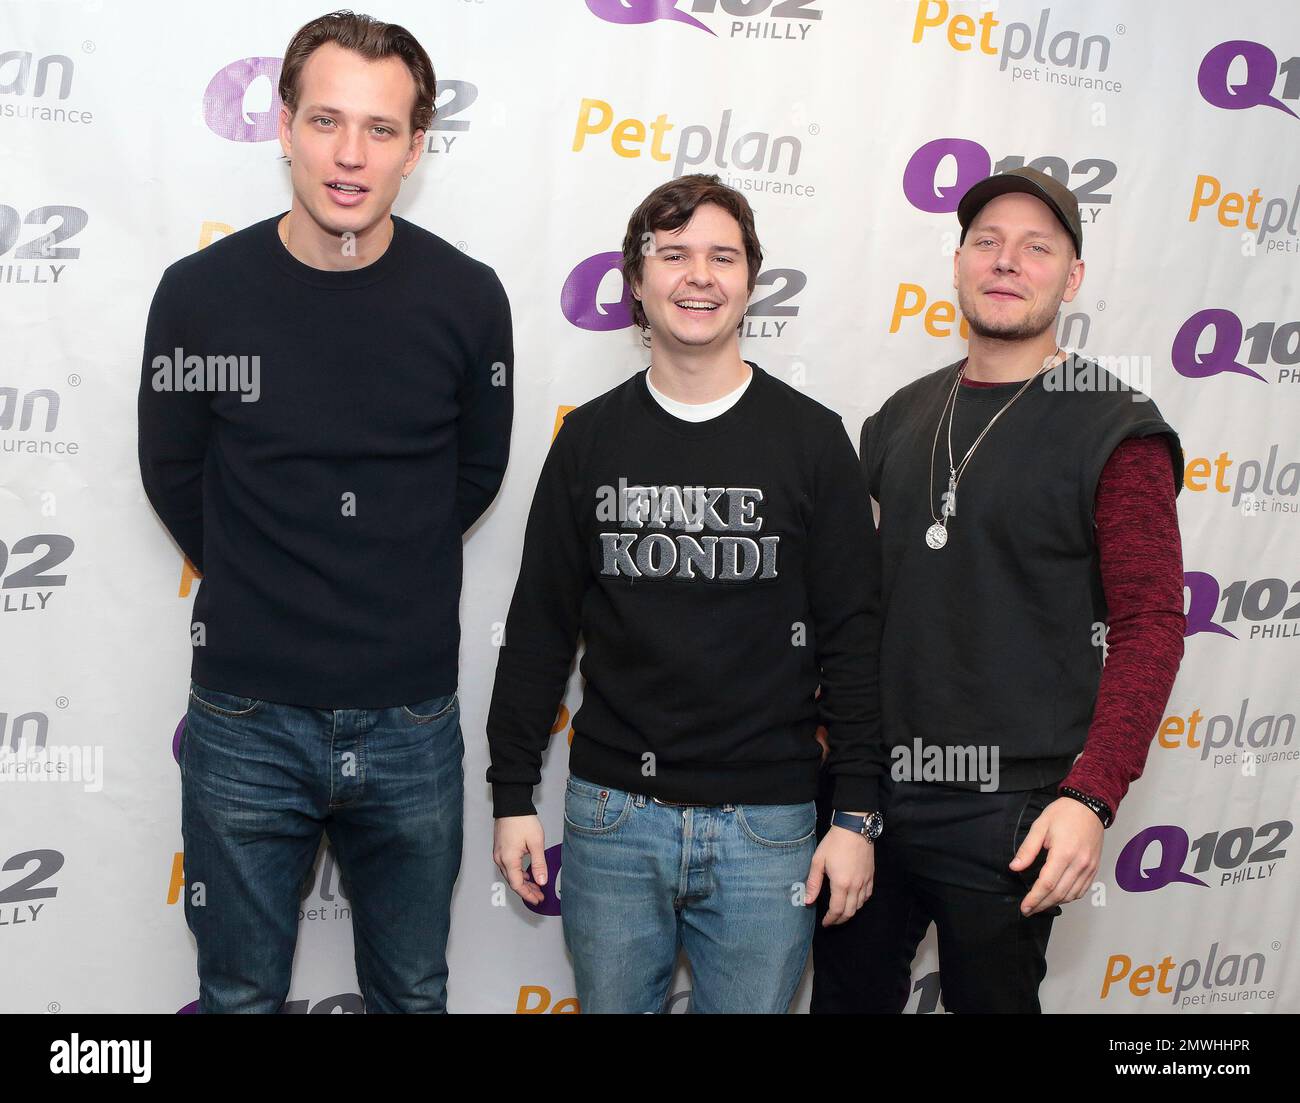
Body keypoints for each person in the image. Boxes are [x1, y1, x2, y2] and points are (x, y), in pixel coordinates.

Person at [137, 11, 513, 1013]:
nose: (350, 154)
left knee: (412, 989)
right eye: (327, 121)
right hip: (244, 716)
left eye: (382, 129)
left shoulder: (467, 299)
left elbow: (471, 475)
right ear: (283, 125)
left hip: (412, 714)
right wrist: (273, 581)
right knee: (238, 993)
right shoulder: (199, 294)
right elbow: (174, 471)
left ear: (417, 146)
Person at [486, 174, 884, 1014]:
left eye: (721, 256)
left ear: (750, 280)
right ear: (637, 282)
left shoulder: (812, 440)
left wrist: (855, 813)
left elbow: (853, 639)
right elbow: (538, 628)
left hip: (768, 826)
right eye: (673, 255)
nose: (698, 275)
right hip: (611, 820)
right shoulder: (589, 439)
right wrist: (513, 792)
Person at [811, 167, 1185, 1014]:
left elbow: (1153, 624)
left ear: (1072, 277)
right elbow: (856, 608)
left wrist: (1092, 794)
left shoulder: (1116, 425)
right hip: (870, 795)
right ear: (957, 264)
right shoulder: (899, 417)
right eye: (987, 241)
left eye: (1036, 247)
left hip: (1014, 811)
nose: (1006, 261)